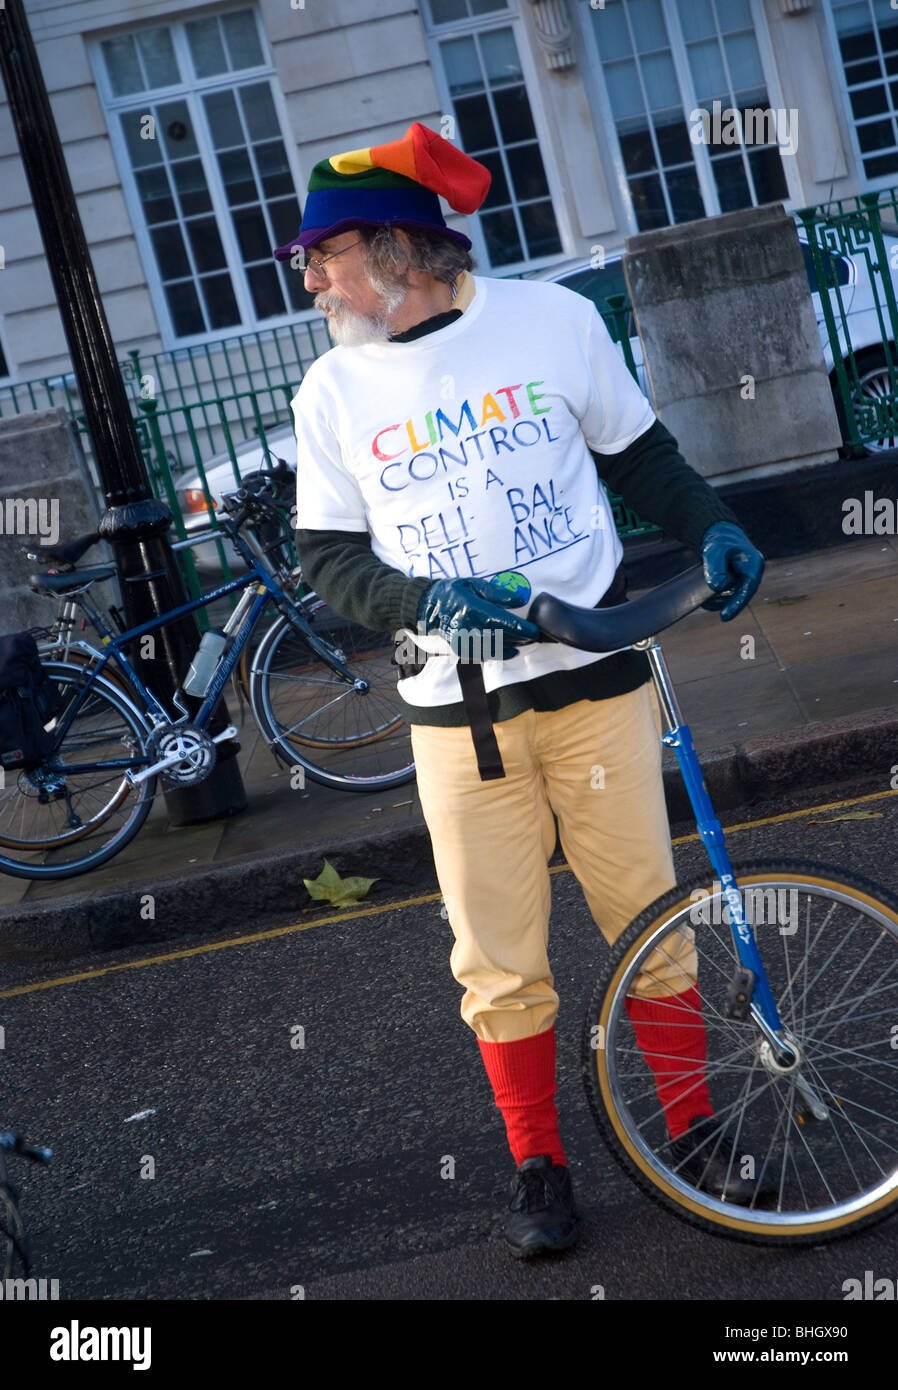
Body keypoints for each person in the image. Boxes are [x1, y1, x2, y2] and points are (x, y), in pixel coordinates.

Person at [275, 123, 766, 1259]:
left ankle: (689, 1132)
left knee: (652, 923)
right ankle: (537, 1166)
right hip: (461, 722)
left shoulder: (552, 321)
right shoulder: (332, 389)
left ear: (397, 248)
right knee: (497, 960)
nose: (310, 279)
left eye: (322, 253)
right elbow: (328, 557)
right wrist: (429, 604)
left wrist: (718, 525)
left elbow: (640, 458)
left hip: (595, 683)